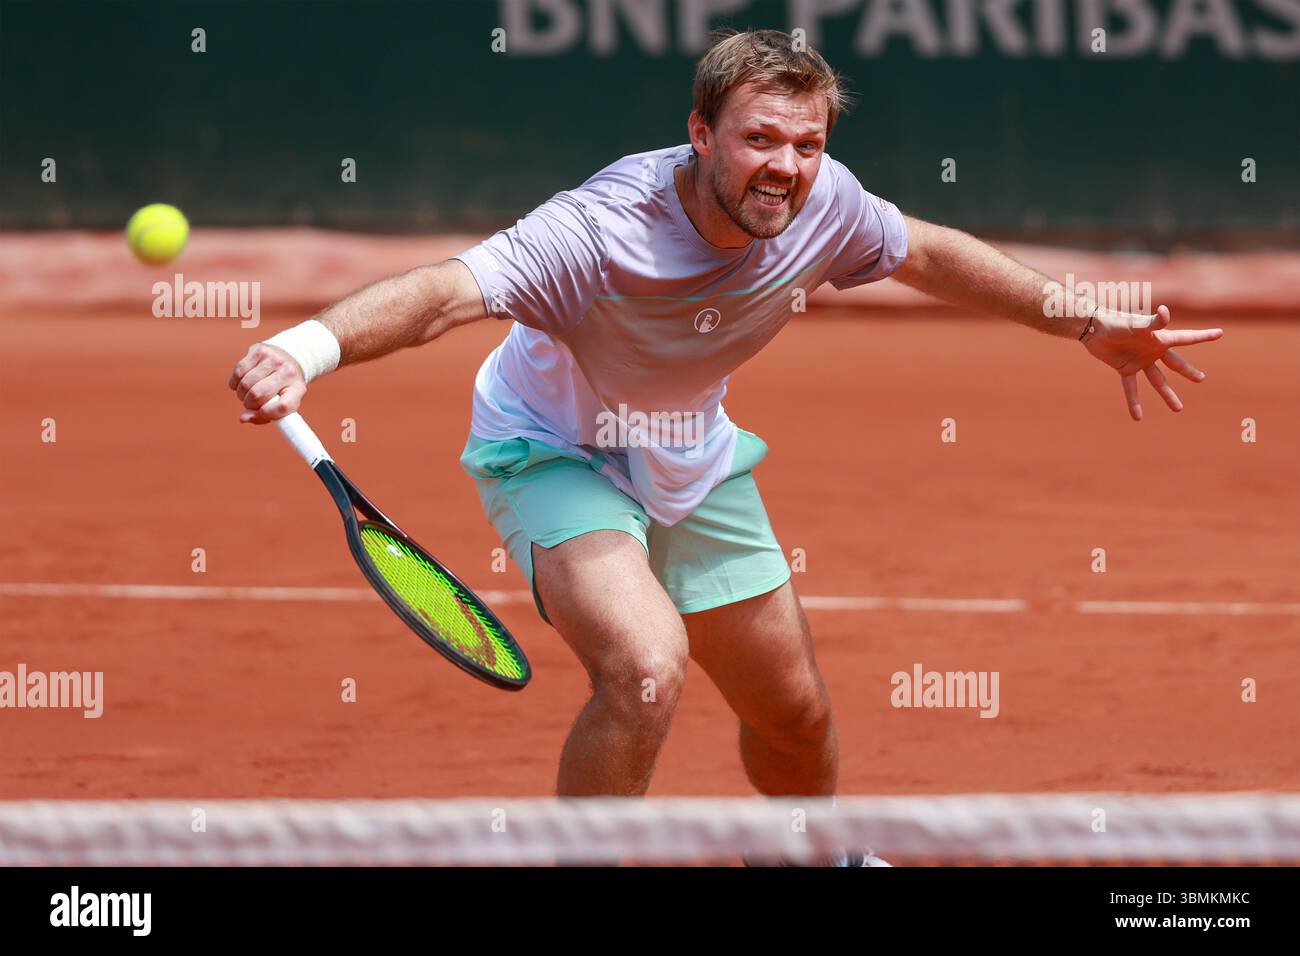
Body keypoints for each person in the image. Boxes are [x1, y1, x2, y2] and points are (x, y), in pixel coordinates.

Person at [228, 29, 1222, 865]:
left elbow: (926, 252)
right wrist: (302, 347)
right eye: (756, 138)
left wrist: (1085, 322)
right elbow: (444, 292)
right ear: (700, 134)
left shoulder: (820, 202)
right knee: (646, 665)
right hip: (554, 451)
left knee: (791, 711)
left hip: (687, 450)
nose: (783, 166)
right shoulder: (598, 229)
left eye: (806, 142)